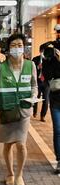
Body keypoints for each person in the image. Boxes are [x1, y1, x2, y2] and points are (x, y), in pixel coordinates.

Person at [0, 34, 38, 185]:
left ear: (24, 47)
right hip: (7, 110)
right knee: (7, 145)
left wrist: (33, 96)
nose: (17, 48)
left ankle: (19, 175)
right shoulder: (1, 66)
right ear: (9, 48)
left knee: (21, 144)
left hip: (24, 111)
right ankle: (10, 173)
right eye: (14, 45)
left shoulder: (30, 65)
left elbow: (34, 85)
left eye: (20, 45)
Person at [43, 24, 60, 174]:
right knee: (58, 130)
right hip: (56, 98)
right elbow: (47, 75)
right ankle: (59, 160)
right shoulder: (51, 51)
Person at [32, 44, 49, 121]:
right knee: (36, 98)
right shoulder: (35, 59)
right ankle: (34, 112)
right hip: (37, 82)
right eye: (42, 51)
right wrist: (37, 67)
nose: (43, 52)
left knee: (46, 100)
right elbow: (31, 70)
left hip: (46, 82)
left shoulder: (49, 60)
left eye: (44, 51)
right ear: (40, 51)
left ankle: (43, 116)